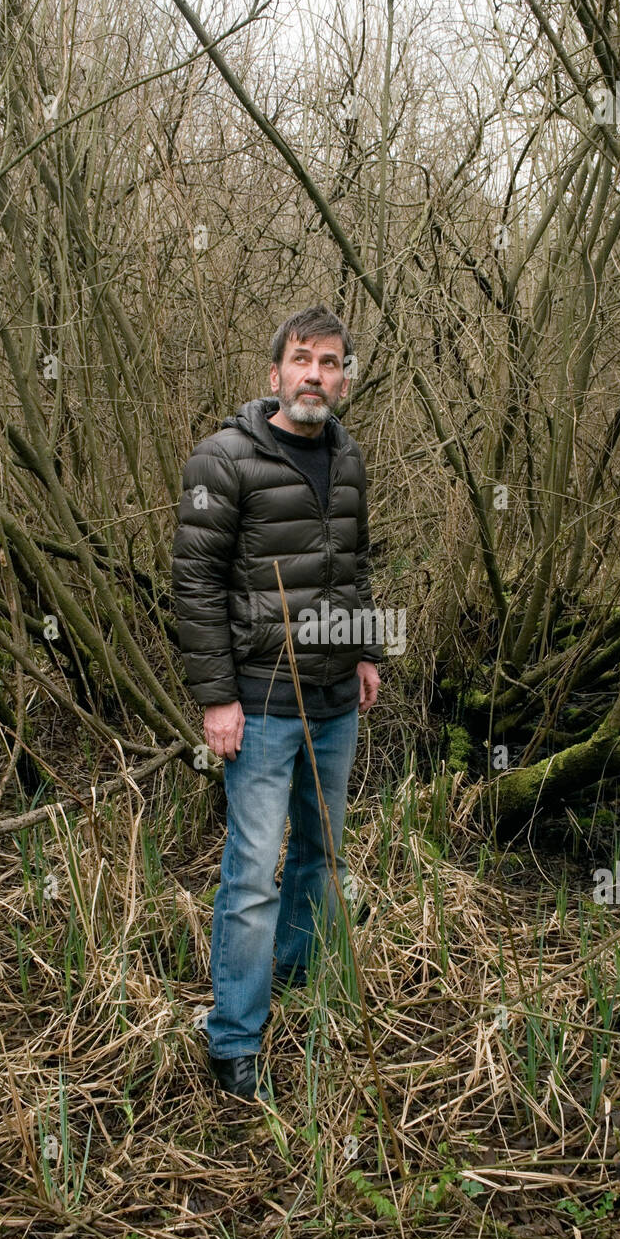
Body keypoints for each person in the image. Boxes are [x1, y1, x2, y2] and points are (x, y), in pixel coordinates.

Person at [172, 304, 382, 1103]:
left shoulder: (349, 456)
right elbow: (193, 586)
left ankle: (290, 983)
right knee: (252, 872)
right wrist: (217, 698)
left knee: (319, 857)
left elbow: (353, 564)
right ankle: (233, 1040)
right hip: (258, 706)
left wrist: (364, 649)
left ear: (343, 379)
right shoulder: (222, 460)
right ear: (274, 374)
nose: (315, 375)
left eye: (330, 363)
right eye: (302, 360)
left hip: (335, 701)